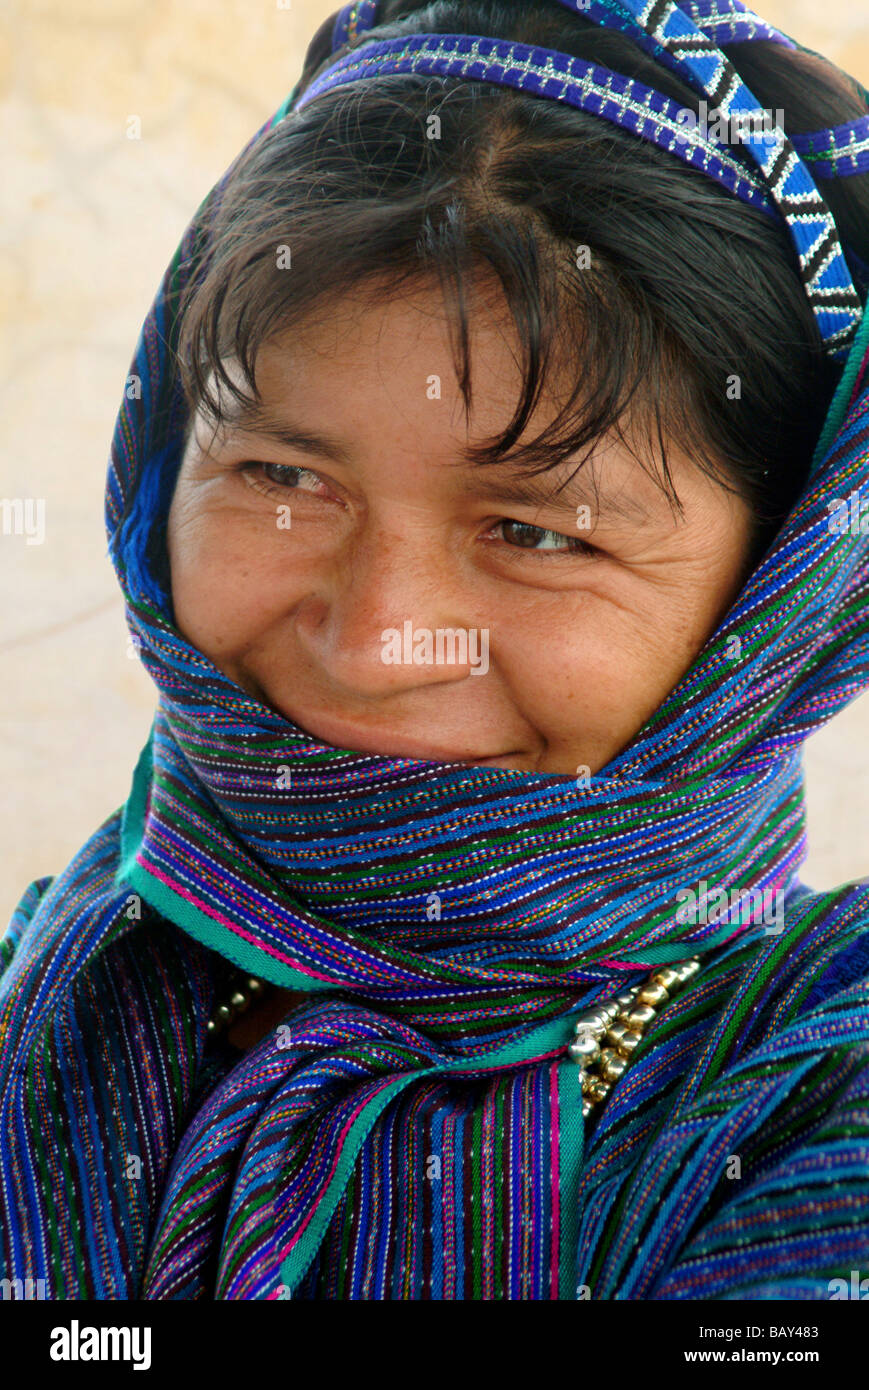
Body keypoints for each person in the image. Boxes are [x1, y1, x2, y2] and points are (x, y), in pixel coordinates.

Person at [2, 0, 869, 1300]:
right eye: (281, 472)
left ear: (783, 588)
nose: (372, 646)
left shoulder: (814, 1097)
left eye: (534, 531)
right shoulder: (57, 982)